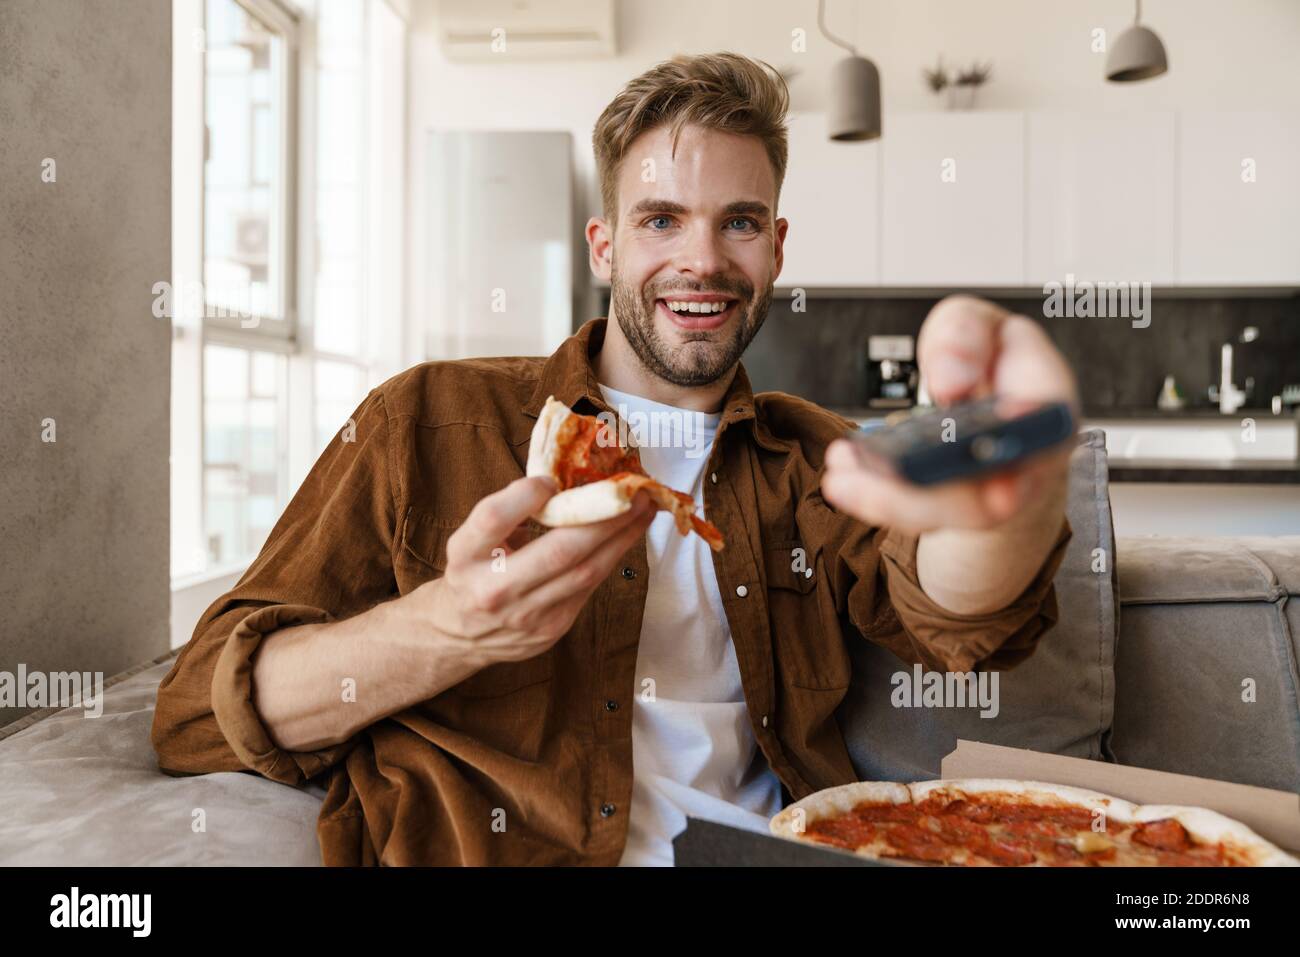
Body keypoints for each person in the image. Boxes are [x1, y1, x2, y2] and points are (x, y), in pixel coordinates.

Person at [152, 52, 1075, 866]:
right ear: (605, 245)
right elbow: (195, 712)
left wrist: (1013, 510)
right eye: (661, 220)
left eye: (741, 222)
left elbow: (955, 609)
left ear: (778, 248)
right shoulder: (425, 419)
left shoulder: (811, 455)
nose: (703, 260)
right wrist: (448, 627)